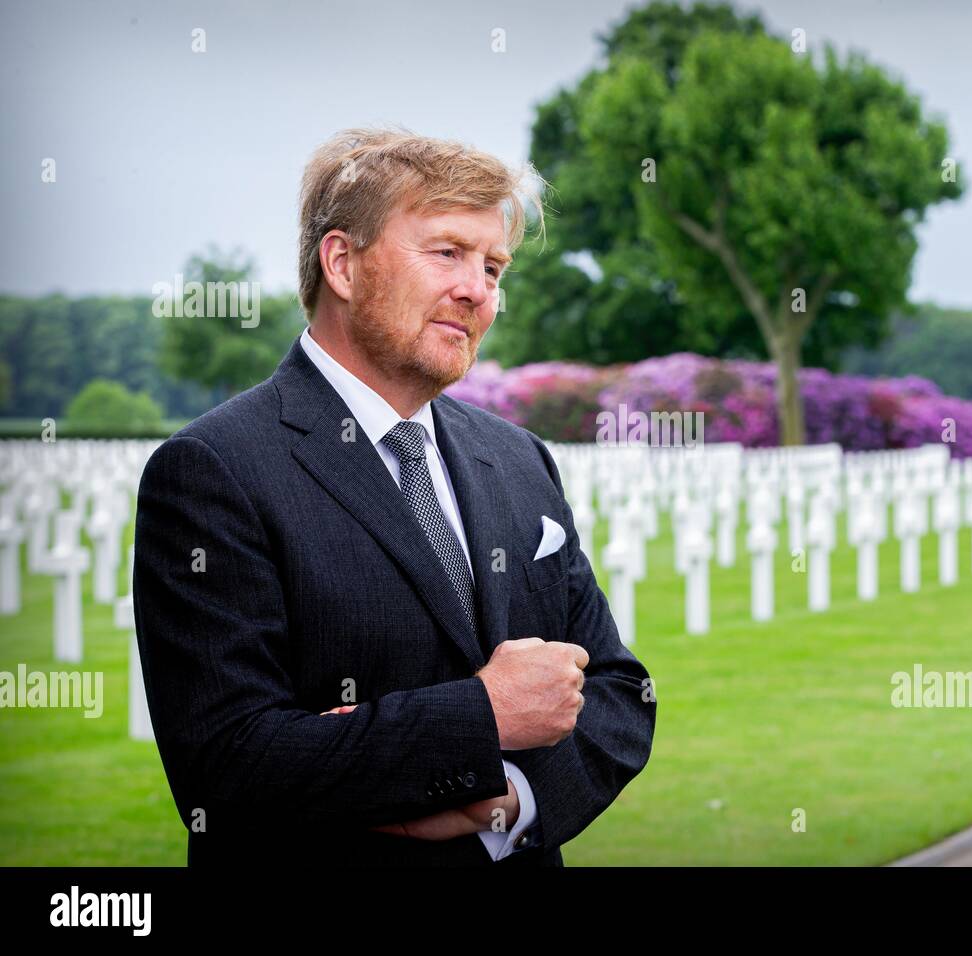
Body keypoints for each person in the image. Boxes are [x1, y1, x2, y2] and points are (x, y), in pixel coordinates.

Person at [132, 127, 657, 866]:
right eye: (446, 252)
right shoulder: (214, 470)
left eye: (494, 267)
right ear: (342, 263)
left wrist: (510, 798)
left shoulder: (517, 457)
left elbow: (618, 691)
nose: (478, 289)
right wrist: (482, 714)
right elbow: (227, 765)